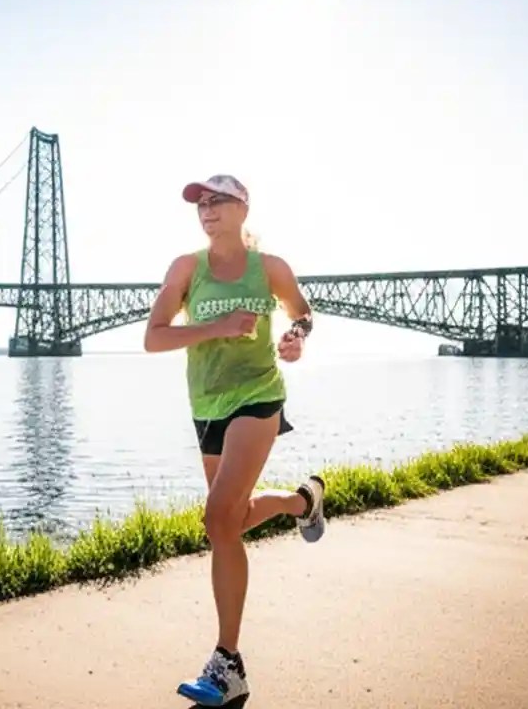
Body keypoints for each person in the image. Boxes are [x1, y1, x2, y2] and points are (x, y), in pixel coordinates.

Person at [142, 174, 325, 707]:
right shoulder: (185, 269)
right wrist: (214, 327)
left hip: (258, 396)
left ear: (244, 208)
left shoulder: (270, 269)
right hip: (206, 406)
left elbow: (303, 313)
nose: (207, 209)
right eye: (200, 203)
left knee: (217, 517)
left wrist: (296, 340)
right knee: (232, 519)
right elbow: (154, 338)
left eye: (218, 200)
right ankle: (303, 502)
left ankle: (228, 664)